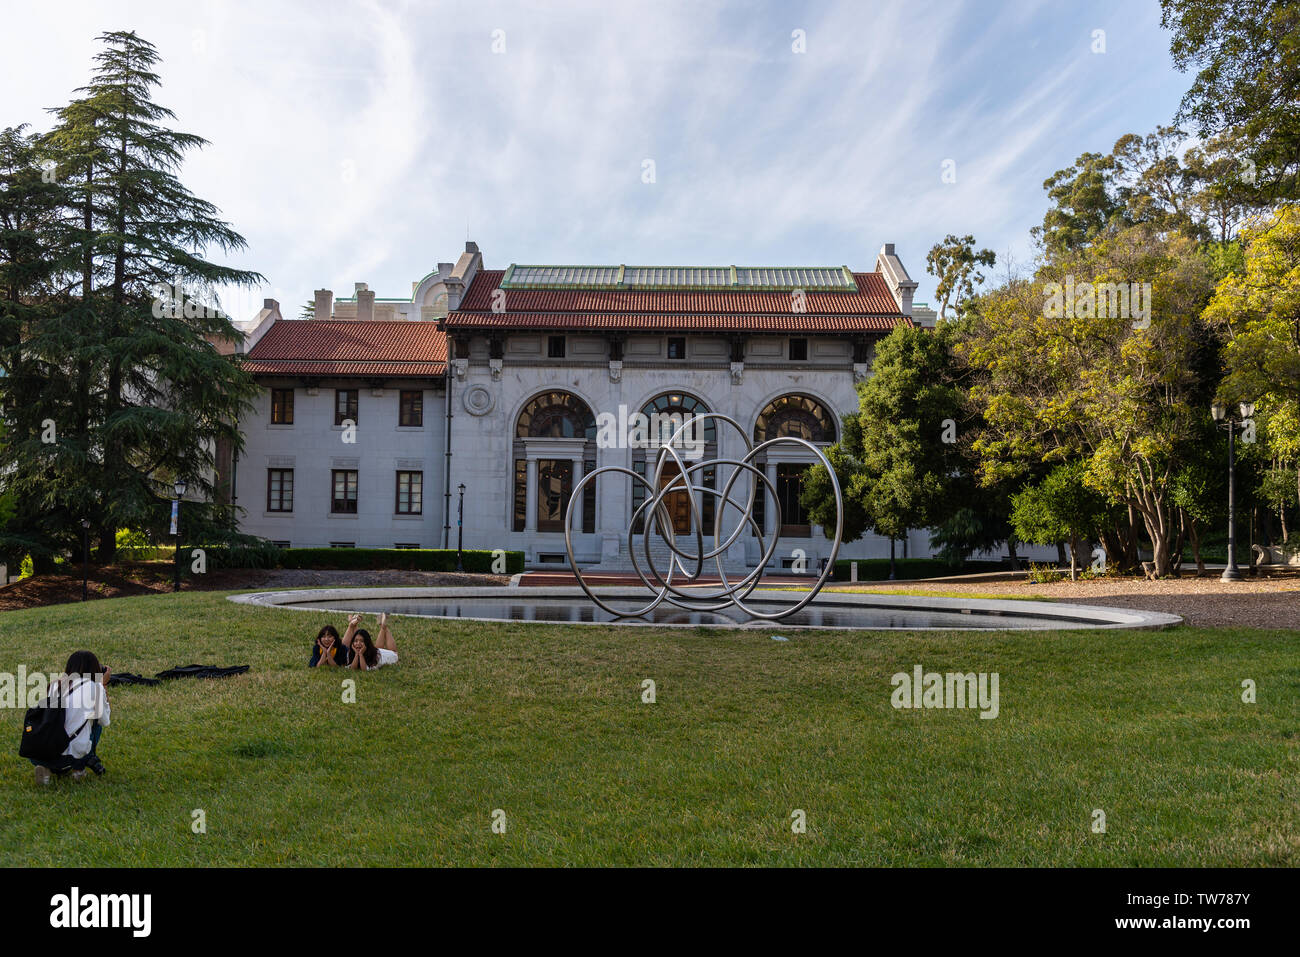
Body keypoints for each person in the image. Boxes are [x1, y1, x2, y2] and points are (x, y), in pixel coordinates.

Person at [31, 650, 111, 785]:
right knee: (96, 723)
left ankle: (46, 768)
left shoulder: (55, 684)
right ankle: (78, 770)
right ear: (94, 669)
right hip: (72, 753)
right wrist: (102, 685)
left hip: (41, 750)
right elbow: (105, 720)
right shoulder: (94, 687)